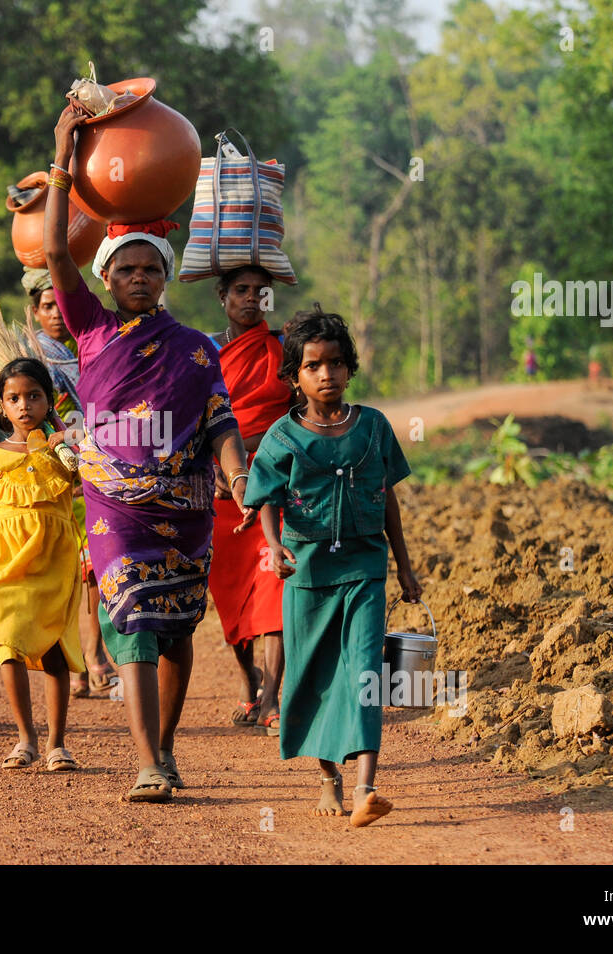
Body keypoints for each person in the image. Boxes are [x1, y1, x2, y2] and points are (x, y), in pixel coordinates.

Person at [44, 103, 255, 802]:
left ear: (164, 277)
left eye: (149, 268)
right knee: (131, 620)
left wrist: (237, 474)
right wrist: (63, 159)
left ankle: (165, 746)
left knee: (175, 629)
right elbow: (52, 254)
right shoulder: (93, 332)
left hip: (186, 510)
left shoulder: (196, 348)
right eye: (125, 269)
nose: (138, 277)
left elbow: (221, 420)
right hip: (113, 509)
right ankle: (144, 760)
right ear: (106, 278)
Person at [243, 308, 423, 827]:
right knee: (315, 674)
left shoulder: (373, 427)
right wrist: (274, 546)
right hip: (308, 572)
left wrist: (405, 567)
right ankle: (329, 778)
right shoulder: (282, 437)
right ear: (295, 375)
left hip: (366, 567)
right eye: (314, 365)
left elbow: (387, 496)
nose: (328, 375)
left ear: (350, 368)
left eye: (337, 363)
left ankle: (367, 787)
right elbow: (269, 500)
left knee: (365, 671)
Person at [0, 357, 85, 770]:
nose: (24, 405)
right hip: (4, 564)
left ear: (48, 401)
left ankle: (57, 744)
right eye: (14, 398)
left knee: (55, 651)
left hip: (55, 560)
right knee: (9, 647)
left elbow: (92, 488)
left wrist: (65, 441)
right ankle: (25, 739)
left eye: (34, 396)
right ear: (2, 406)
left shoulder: (66, 451)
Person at [23, 267, 119, 699]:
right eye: (46, 306)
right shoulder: (32, 362)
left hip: (92, 473)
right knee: (63, 577)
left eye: (60, 303)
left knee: (94, 574)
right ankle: (74, 663)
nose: (56, 313)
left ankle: (93, 656)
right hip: (52, 477)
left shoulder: (89, 350)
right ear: (35, 312)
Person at [207, 266, 289, 733]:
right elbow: (193, 417)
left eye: (261, 291)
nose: (252, 298)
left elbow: (299, 408)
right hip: (219, 491)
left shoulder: (281, 348)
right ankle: (248, 681)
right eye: (241, 290)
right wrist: (215, 465)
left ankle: (273, 696)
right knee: (231, 592)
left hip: (274, 481)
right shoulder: (206, 352)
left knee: (272, 584)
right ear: (222, 296)